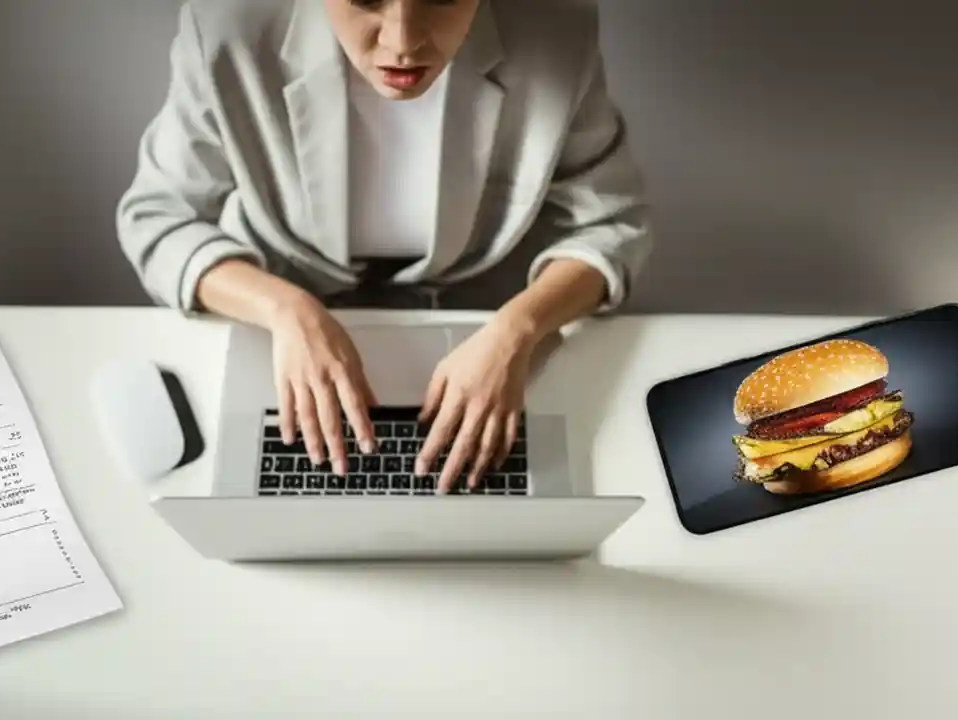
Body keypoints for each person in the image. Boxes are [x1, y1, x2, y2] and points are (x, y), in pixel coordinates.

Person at [117, 0, 653, 494]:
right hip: (279, 327)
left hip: (482, 319)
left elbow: (612, 223)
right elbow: (158, 218)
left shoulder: (558, 27)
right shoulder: (226, 26)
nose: (403, 42)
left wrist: (518, 330)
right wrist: (284, 310)